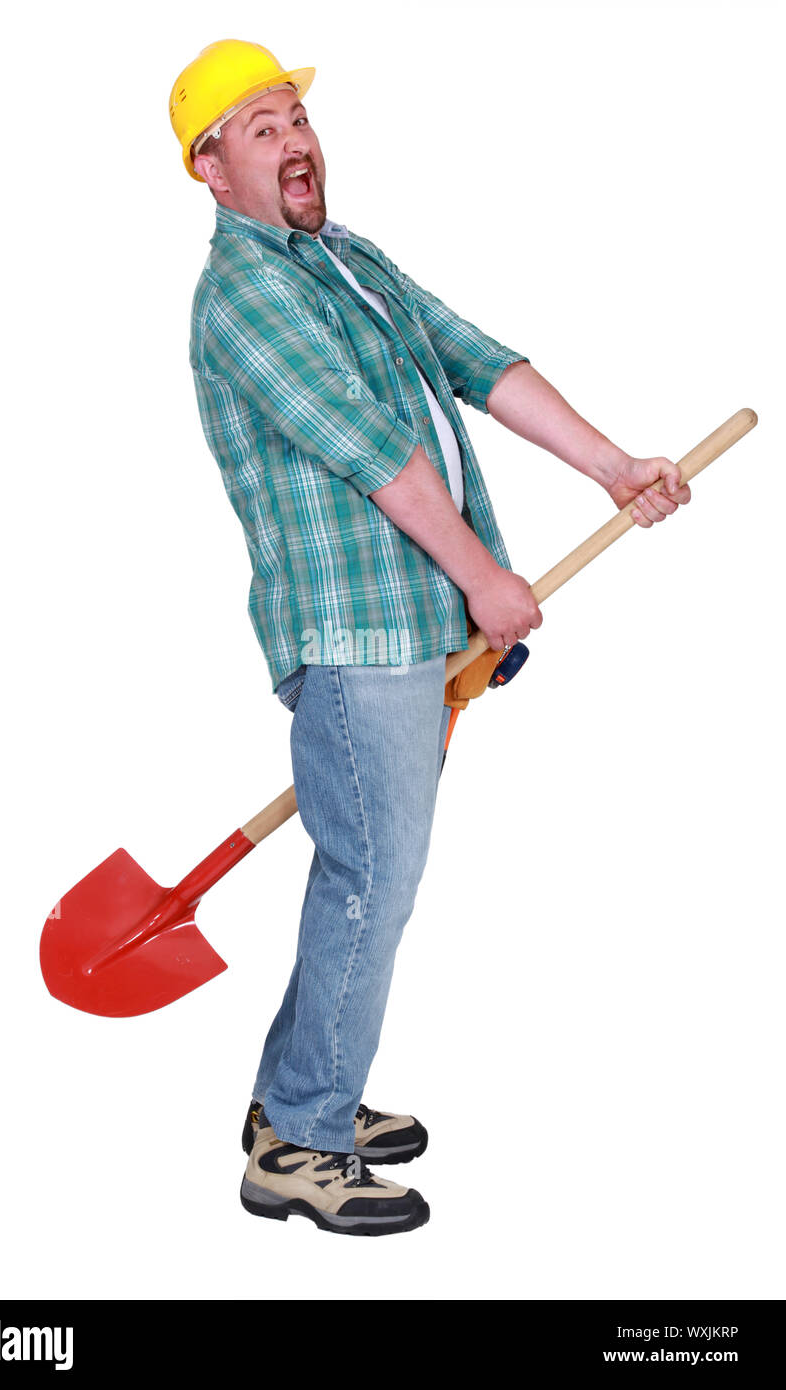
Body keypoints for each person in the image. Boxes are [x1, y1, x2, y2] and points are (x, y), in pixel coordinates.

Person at [169, 39, 691, 1237]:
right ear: (209, 170)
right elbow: (374, 454)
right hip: (355, 638)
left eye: (293, 113)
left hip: (415, 627)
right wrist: (487, 579)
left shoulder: (343, 261)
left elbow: (474, 359)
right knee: (369, 882)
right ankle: (299, 1143)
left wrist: (612, 467)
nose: (293, 138)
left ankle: (297, 1100)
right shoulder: (244, 294)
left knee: (362, 880)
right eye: (257, 126)